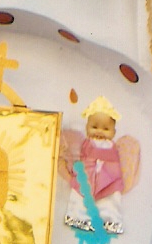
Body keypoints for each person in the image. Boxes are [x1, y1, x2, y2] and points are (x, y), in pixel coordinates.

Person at [60, 96, 140, 235]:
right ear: (87, 128)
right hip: (87, 178)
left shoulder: (112, 147)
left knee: (108, 202)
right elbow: (81, 157)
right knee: (79, 199)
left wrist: (95, 154)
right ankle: (79, 218)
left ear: (114, 132)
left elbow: (112, 162)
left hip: (107, 181)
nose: (99, 131)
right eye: (94, 127)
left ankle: (109, 221)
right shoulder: (85, 143)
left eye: (106, 128)